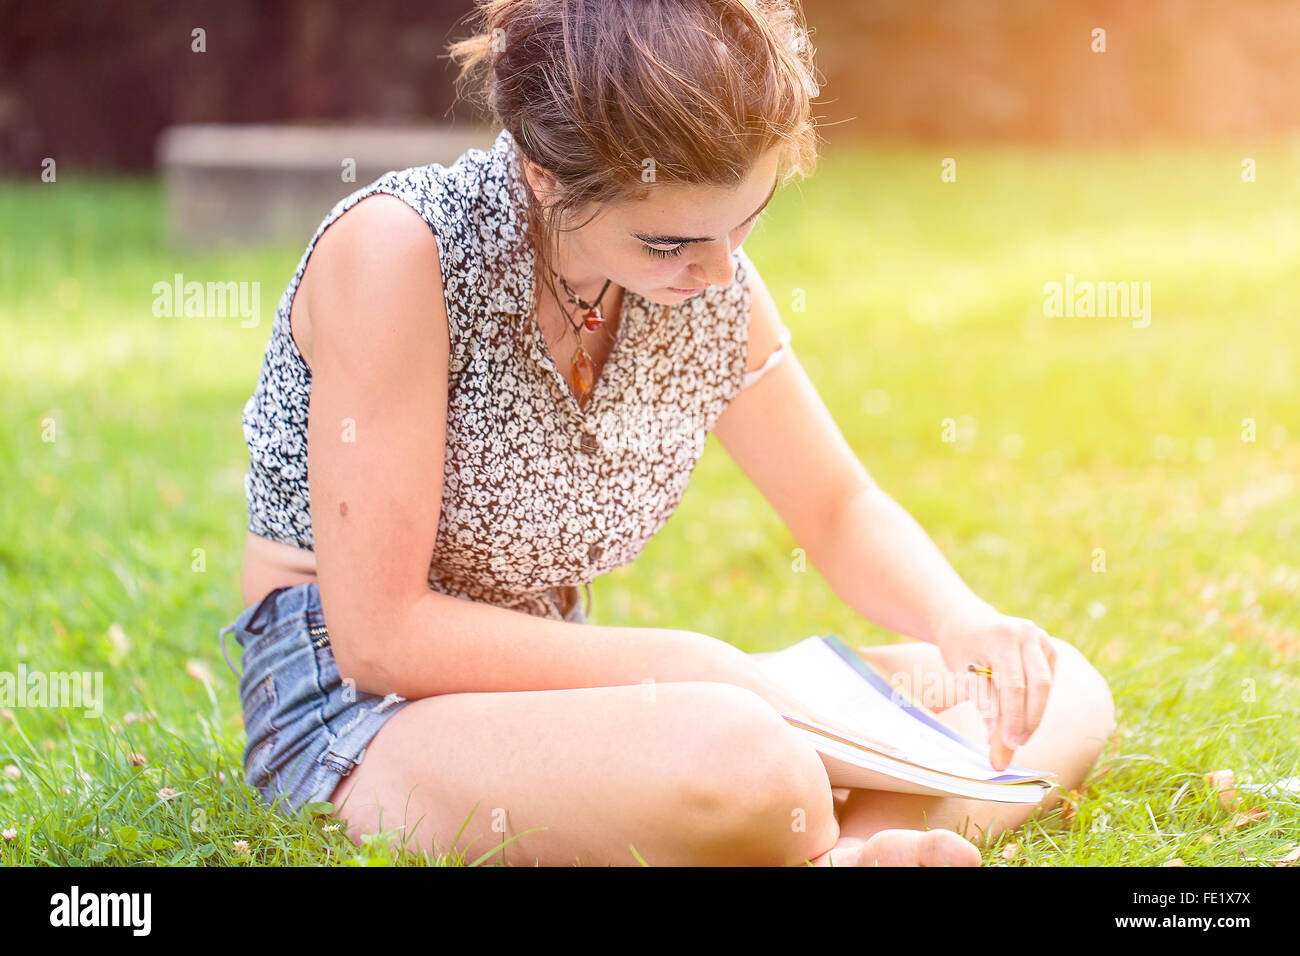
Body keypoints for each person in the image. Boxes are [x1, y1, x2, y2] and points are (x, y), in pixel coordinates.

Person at [218, 0, 1114, 867]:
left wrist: (964, 621)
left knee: (1052, 688)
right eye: (668, 242)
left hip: (571, 686)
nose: (722, 270)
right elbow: (381, 636)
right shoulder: (401, 253)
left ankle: (851, 848)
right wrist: (698, 666)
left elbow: (838, 509)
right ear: (543, 173)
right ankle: (835, 829)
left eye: (746, 221)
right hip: (363, 710)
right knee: (746, 761)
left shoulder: (706, 277)